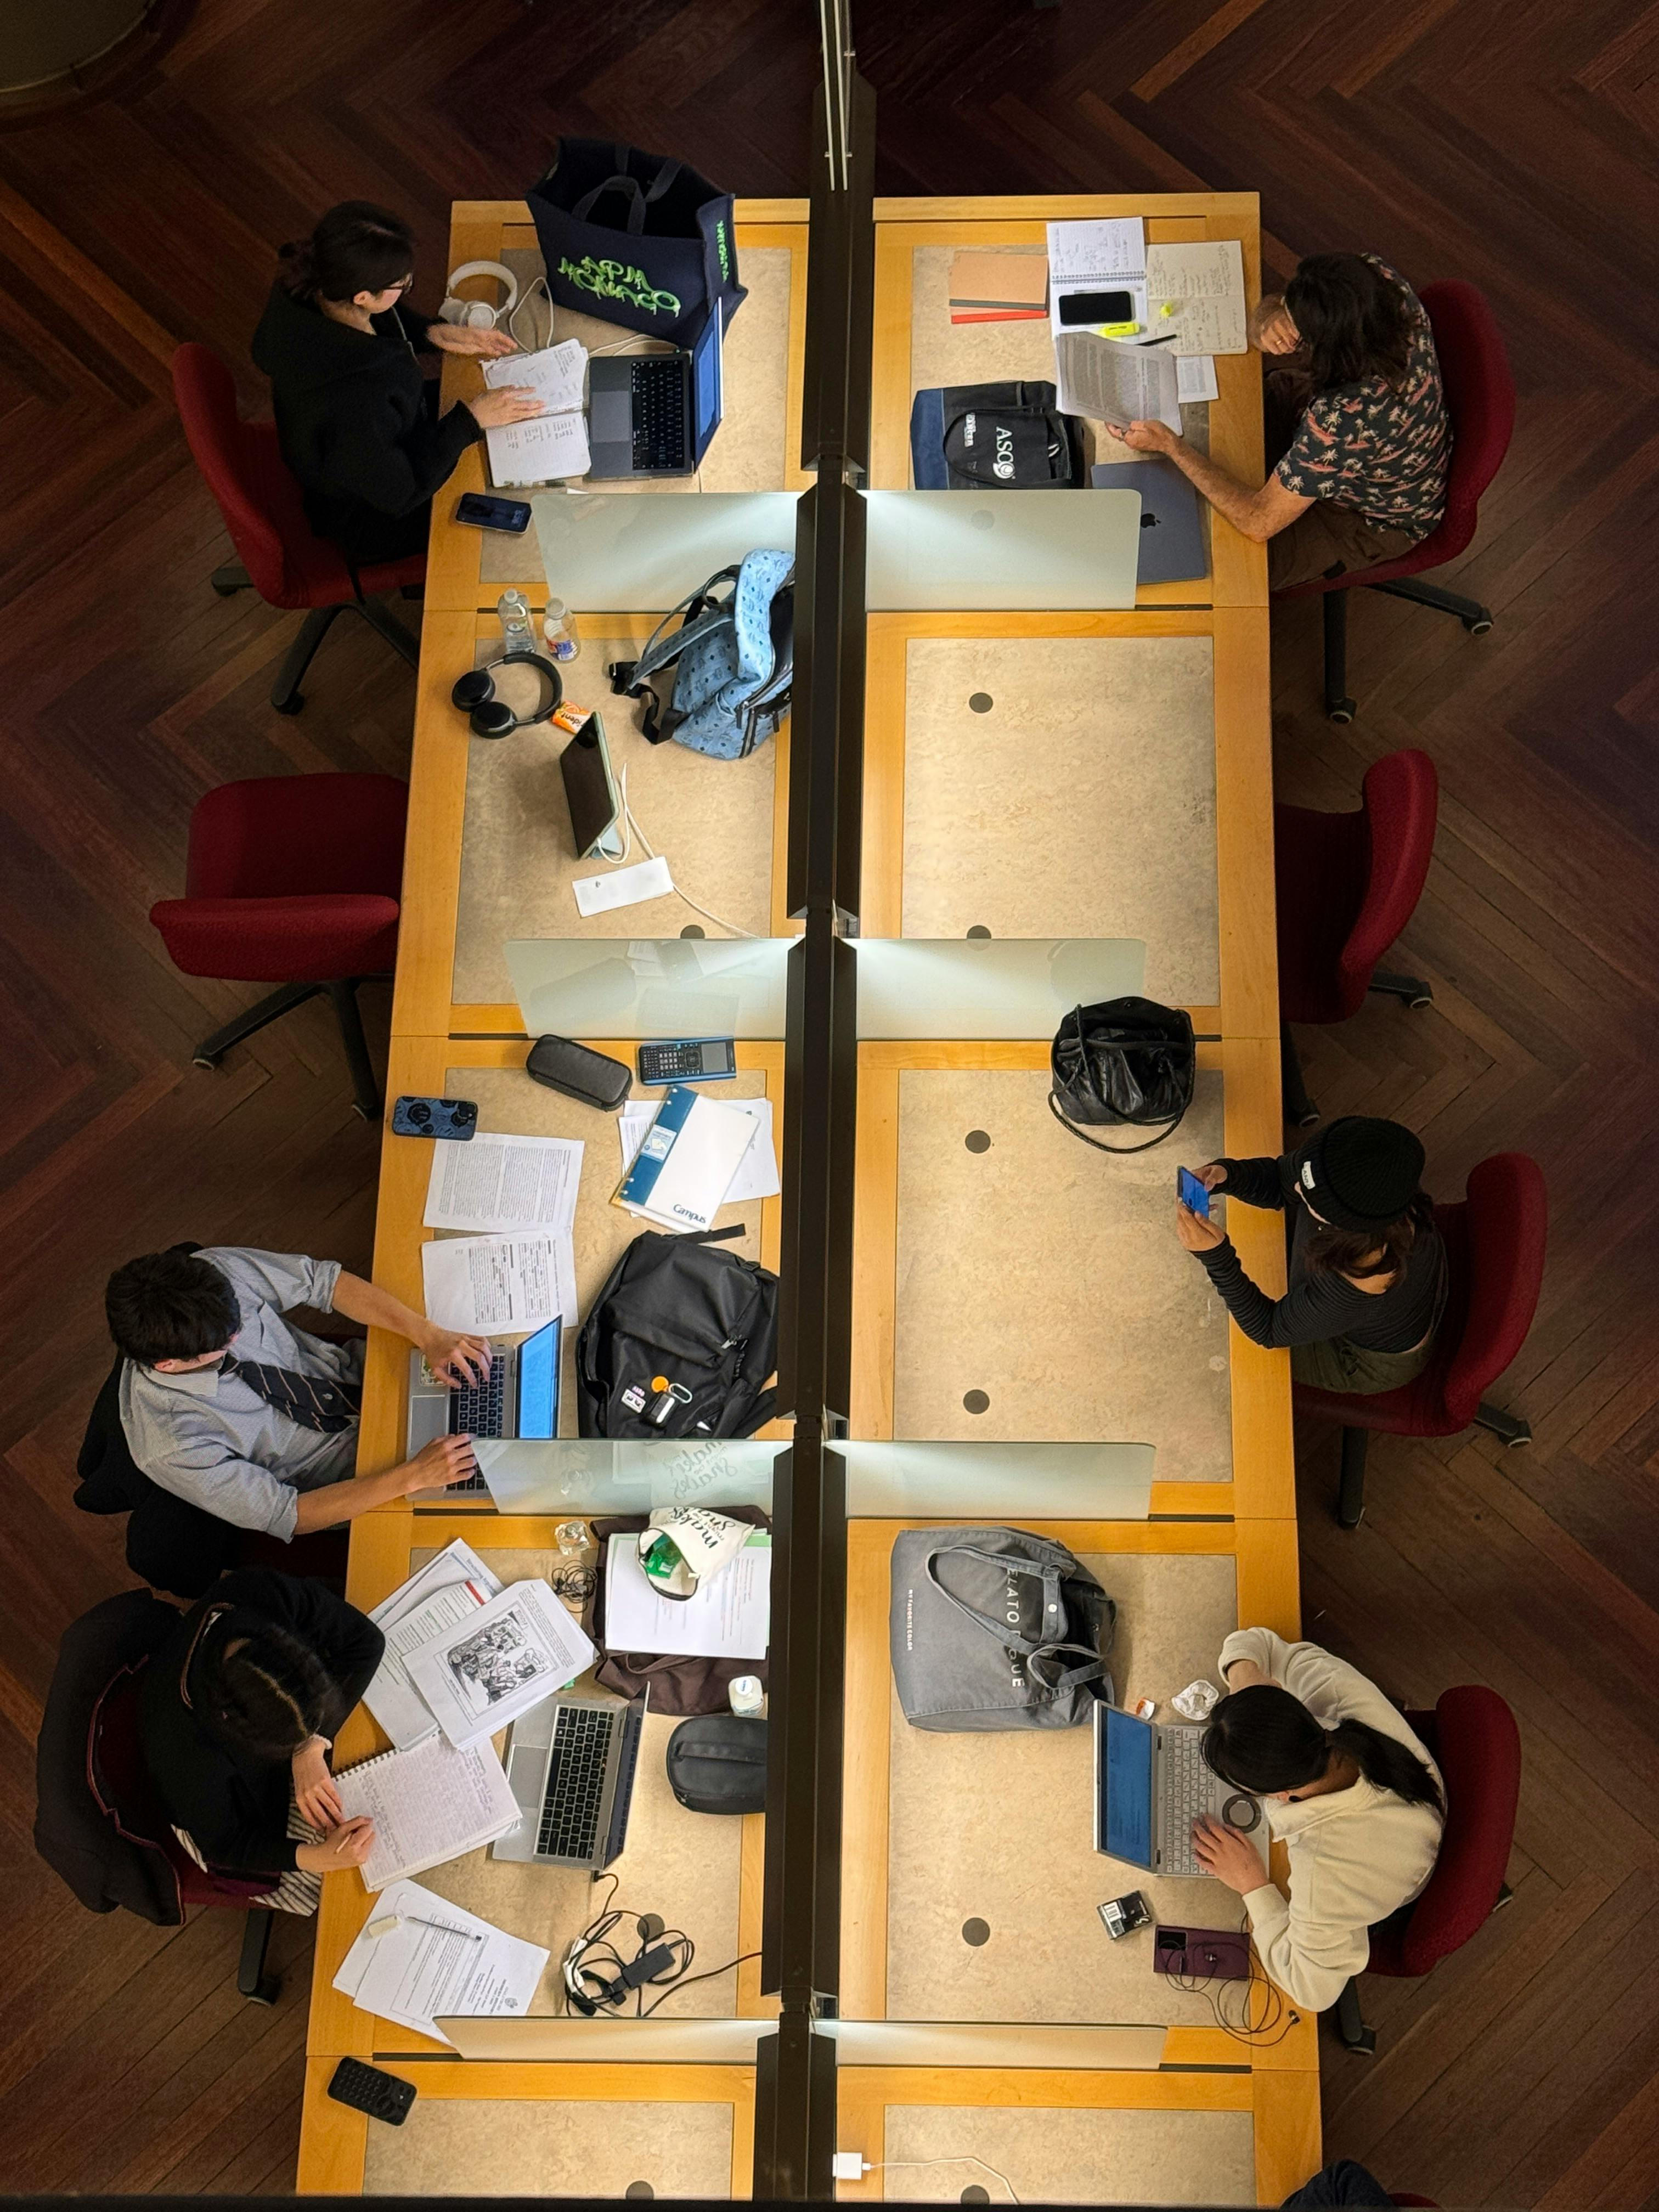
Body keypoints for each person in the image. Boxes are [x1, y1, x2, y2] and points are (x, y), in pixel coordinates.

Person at [109, 1245, 486, 1579]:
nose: (238, 1336)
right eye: (224, 1344)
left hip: (368, 1376)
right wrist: (413, 1476)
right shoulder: (172, 1446)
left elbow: (324, 1282)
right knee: (491, 1506)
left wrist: (427, 1334)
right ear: (169, 1365)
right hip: (366, 1476)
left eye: (238, 1321)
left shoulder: (212, 1271)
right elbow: (293, 1514)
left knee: (496, 1381)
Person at [1105, 251, 1452, 591]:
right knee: (1224, 415)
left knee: (1222, 564)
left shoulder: (1344, 419)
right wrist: (1270, 317)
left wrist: (1172, 447)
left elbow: (1258, 521)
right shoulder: (1377, 279)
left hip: (1366, 517)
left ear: (1324, 349)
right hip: (1351, 427)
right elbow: (1272, 310)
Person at [251, 200, 544, 566]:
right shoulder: (355, 402)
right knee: (527, 508)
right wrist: (470, 421)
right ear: (362, 296)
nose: (407, 287)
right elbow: (401, 492)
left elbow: (384, 323)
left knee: (499, 417)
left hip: (387, 437)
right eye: (401, 284)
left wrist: (432, 333)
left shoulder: (316, 291)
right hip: (378, 513)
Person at [1190, 1626, 1445, 2013]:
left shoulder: (1324, 1871)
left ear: (1277, 1796)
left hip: (1400, 1880)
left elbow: (1313, 1991)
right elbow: (1257, 1640)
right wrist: (1246, 1682)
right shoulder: (1332, 1690)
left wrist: (1253, 1884)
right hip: (1416, 1812)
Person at [138, 1567, 385, 1911]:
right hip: (217, 1810)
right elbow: (225, 1845)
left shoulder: (262, 1595)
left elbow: (366, 1642)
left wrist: (312, 1747)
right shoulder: (185, 1751)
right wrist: (315, 1858)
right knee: (353, 1892)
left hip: (229, 1750)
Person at [1173, 1116, 1446, 1393]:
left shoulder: (1367, 1271)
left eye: (1313, 1198)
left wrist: (1216, 1257)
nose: (1298, 1189)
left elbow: (1269, 1330)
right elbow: (1284, 1179)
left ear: (1344, 1224)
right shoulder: (1371, 1177)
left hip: (1362, 1360)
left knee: (1217, 1346)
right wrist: (1227, 1175)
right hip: (1392, 1302)